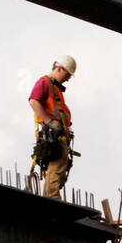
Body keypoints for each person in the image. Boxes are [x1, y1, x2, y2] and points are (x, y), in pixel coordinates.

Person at [28, 55, 76, 200]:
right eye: (67, 75)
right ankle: (52, 199)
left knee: (59, 168)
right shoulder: (44, 82)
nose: (67, 79)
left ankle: (51, 197)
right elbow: (33, 101)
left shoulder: (55, 89)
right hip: (52, 136)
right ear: (59, 69)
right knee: (55, 168)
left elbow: (58, 115)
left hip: (59, 135)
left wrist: (65, 130)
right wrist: (50, 122)